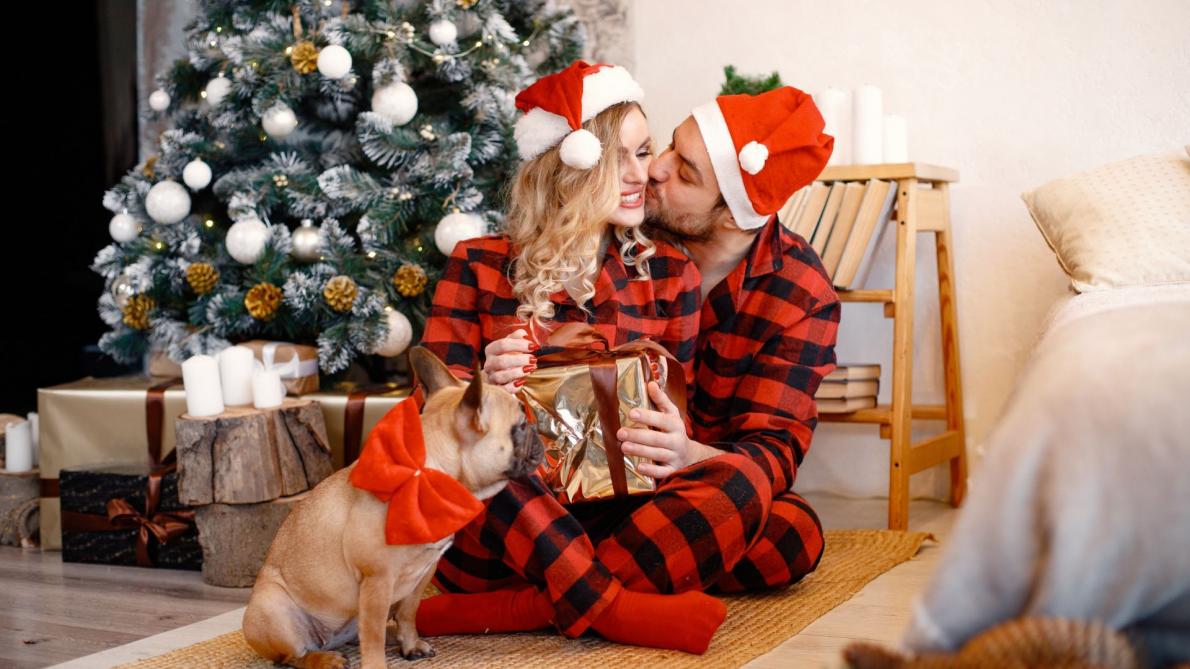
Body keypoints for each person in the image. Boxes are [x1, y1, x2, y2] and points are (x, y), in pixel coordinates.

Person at [419, 75, 841, 656]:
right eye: (644, 153)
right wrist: (482, 387)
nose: (652, 173)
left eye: (663, 162)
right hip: (513, 513)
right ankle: (615, 605)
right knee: (494, 468)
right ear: (567, 165)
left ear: (729, 214)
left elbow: (756, 444)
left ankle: (539, 601)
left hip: (626, 508)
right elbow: (429, 427)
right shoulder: (480, 263)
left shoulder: (680, 276)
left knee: (776, 514)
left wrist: (683, 447)